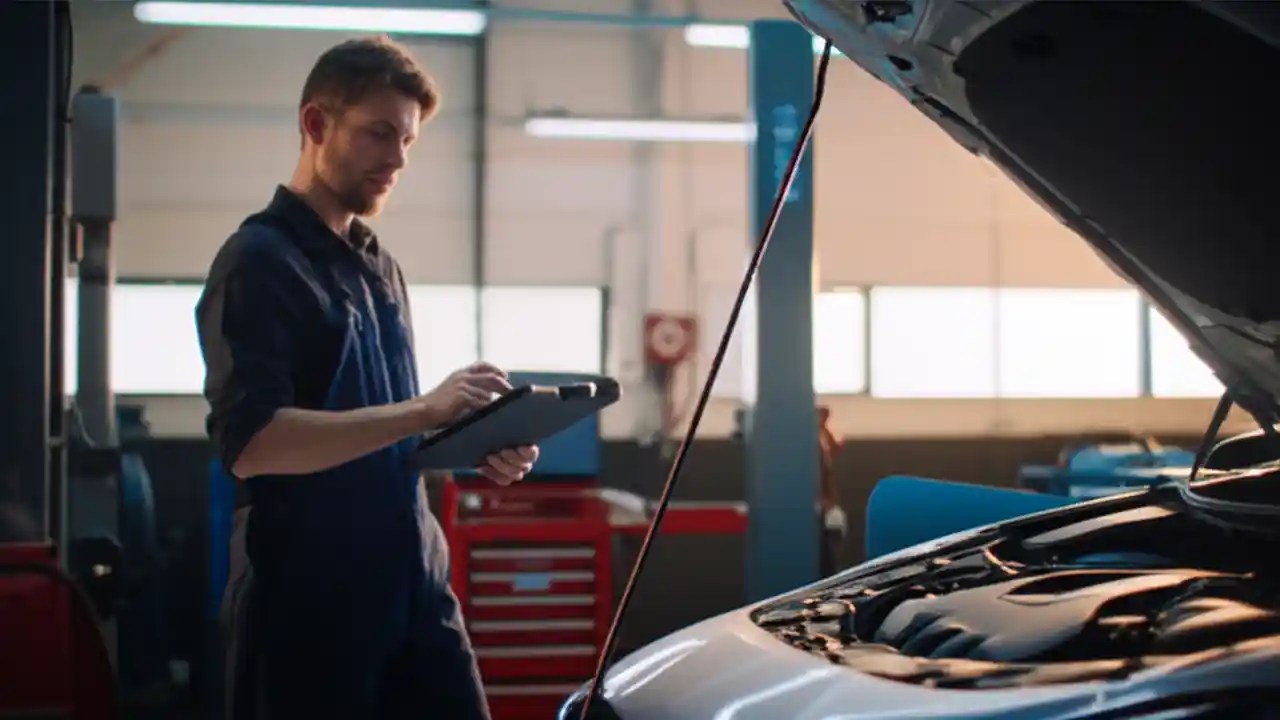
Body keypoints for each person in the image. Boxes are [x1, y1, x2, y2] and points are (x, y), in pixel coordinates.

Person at [195, 36, 536, 720]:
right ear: (316, 124)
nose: (398, 158)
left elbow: (386, 432)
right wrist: (421, 409)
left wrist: (469, 440)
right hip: (311, 606)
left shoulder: (378, 264)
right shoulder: (258, 262)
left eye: (408, 140)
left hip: (414, 582)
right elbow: (254, 443)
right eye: (380, 133)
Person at [817, 406, 847, 576]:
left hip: (827, 503)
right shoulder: (812, 439)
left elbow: (834, 449)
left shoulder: (823, 435)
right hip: (823, 503)